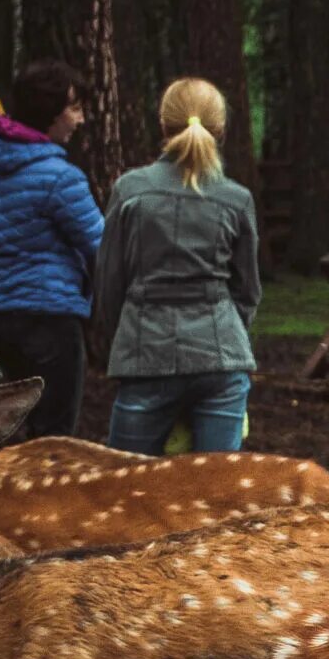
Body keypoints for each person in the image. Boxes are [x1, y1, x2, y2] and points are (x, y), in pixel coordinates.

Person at [94, 77, 260, 454]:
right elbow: (247, 291)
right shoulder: (236, 198)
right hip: (221, 357)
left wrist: (123, 337)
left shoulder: (130, 190)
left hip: (145, 354)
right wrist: (228, 330)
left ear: (163, 126)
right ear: (220, 130)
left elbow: (108, 284)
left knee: (127, 483)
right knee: (218, 492)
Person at [0, 60, 104, 441]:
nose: (79, 119)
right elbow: (102, 245)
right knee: (56, 438)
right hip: (50, 319)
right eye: (74, 108)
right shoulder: (60, 178)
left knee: (22, 432)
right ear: (50, 113)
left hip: (0, 317)